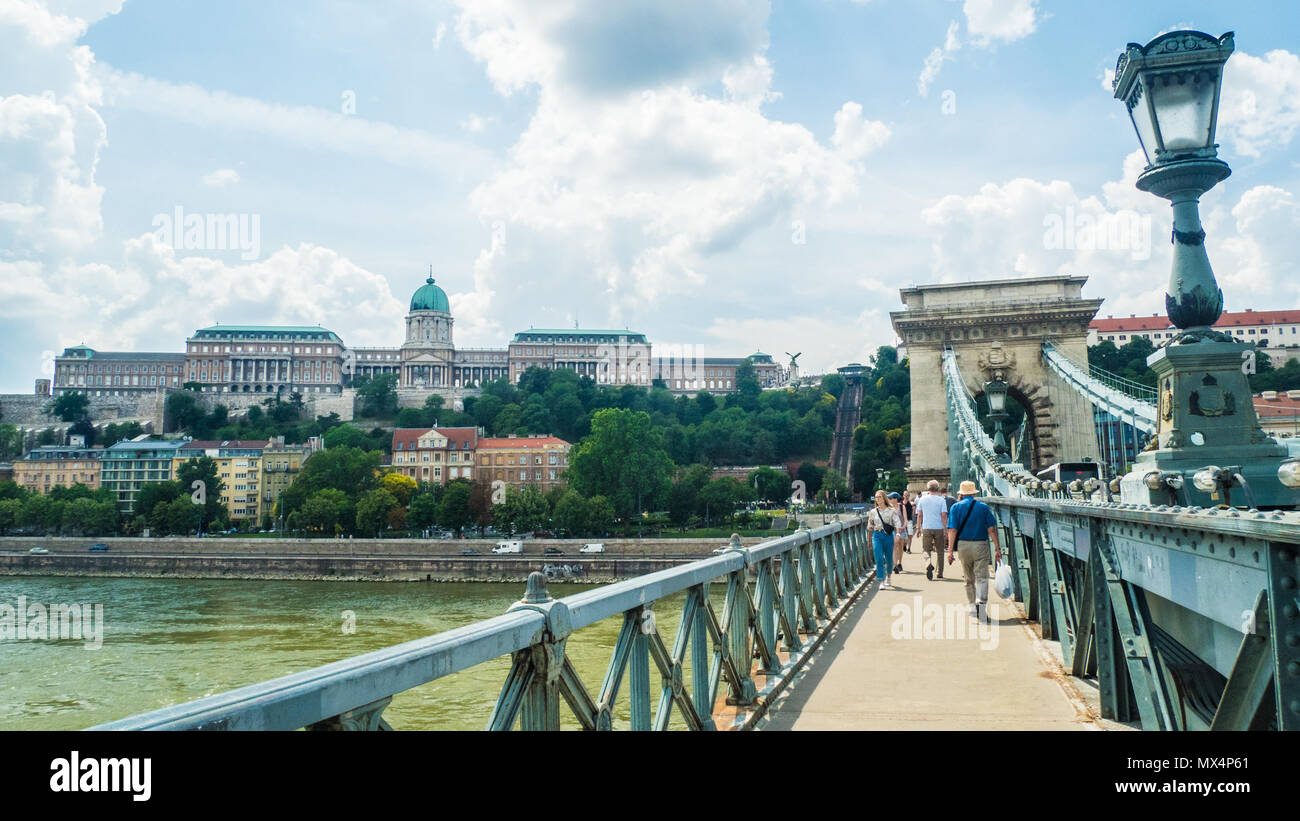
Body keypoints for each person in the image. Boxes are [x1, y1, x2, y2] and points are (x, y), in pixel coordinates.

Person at [945, 480, 1002, 619]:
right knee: (982, 577)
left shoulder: (955, 507)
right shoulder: (983, 507)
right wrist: (997, 548)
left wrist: (950, 551)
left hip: (963, 545)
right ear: (974, 493)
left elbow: (952, 530)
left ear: (961, 494)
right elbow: (992, 529)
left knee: (968, 578)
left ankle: (972, 606)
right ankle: (981, 603)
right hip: (981, 544)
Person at [868, 489, 904, 589]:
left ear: (884, 498)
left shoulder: (891, 510)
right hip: (876, 535)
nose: (877, 499)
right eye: (876, 497)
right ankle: (881, 581)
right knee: (879, 558)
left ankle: (889, 576)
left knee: (889, 559)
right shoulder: (873, 512)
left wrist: (897, 534)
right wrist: (869, 540)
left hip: (888, 536)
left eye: (879, 497)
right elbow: (870, 526)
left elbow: (897, 523)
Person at [915, 479, 948, 580]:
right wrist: (945, 529)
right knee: (940, 551)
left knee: (926, 549)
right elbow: (943, 515)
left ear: (928, 488)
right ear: (937, 488)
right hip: (938, 527)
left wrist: (918, 528)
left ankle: (928, 562)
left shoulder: (922, 500)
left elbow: (919, 515)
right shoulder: (941, 500)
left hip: (927, 527)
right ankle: (940, 572)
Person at [887, 491, 906, 573]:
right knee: (895, 546)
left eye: (891, 498)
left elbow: (905, 519)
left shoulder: (902, 507)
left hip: (901, 529)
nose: (889, 500)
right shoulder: (888, 508)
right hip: (893, 530)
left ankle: (900, 563)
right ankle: (895, 565)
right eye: (889, 498)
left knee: (901, 546)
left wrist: (904, 526)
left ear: (895, 499)